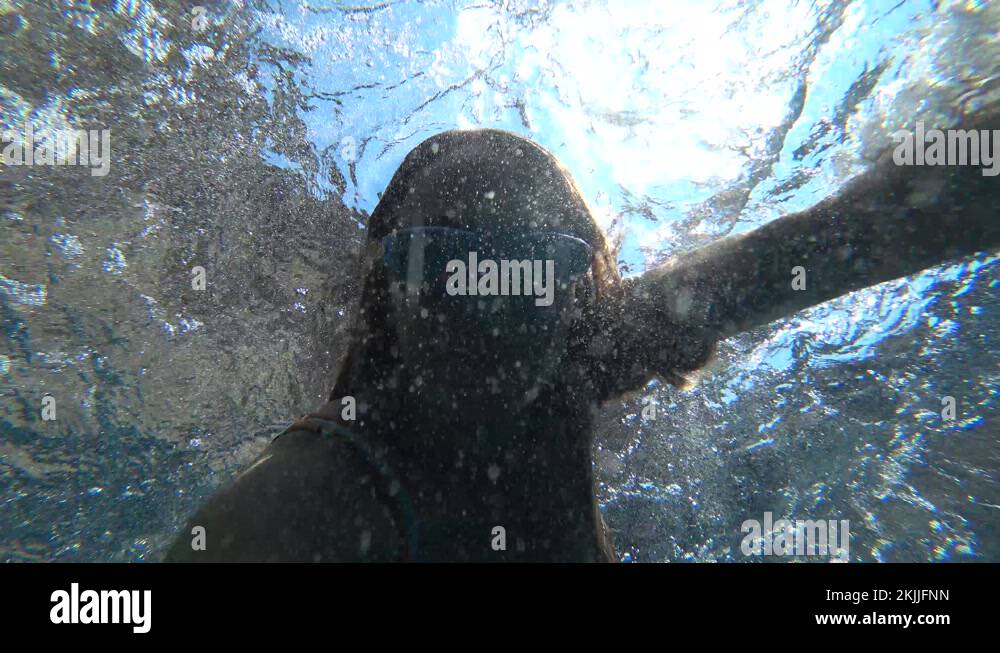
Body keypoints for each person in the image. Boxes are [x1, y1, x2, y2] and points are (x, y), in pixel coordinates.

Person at [165, 112, 1000, 562]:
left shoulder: (589, 352)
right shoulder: (321, 485)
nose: (483, 305)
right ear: (388, 290)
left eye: (530, 268)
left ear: (576, 295)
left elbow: (829, 239)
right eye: (444, 263)